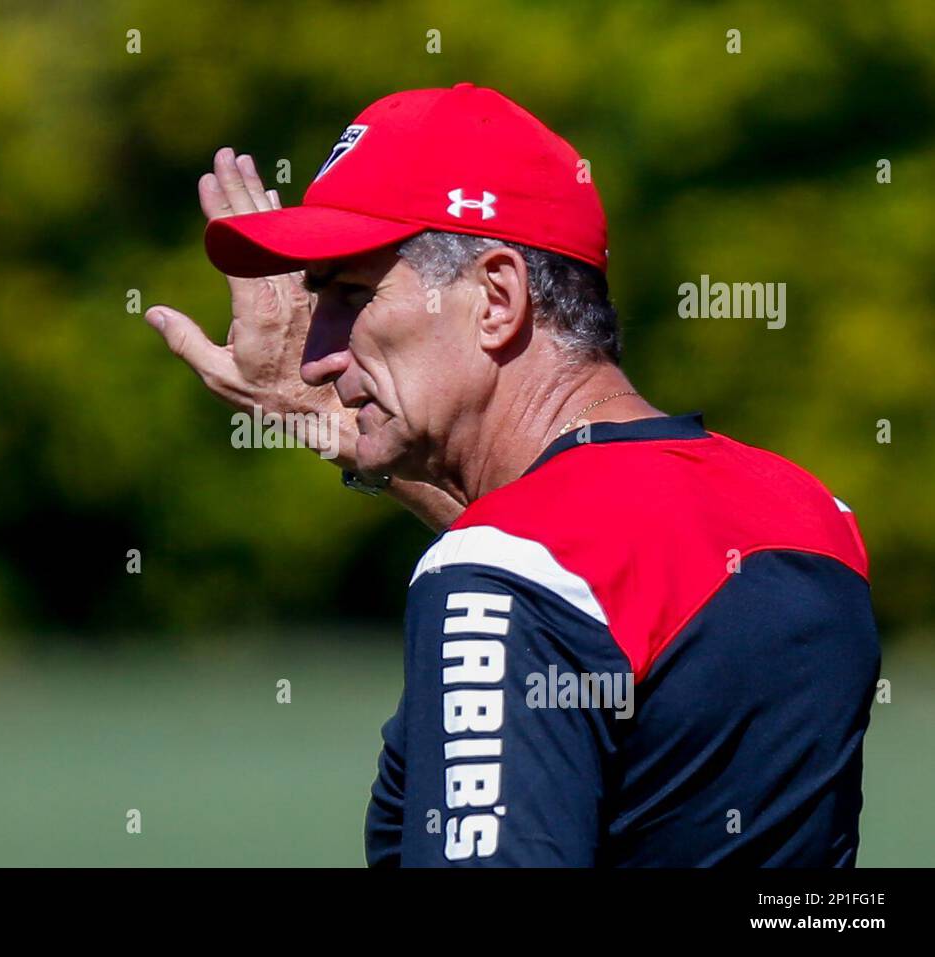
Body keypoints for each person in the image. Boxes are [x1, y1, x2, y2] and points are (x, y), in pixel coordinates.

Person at [144, 83, 880, 866]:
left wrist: (482, 559)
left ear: (497, 298)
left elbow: (545, 569)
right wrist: (329, 423)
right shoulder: (810, 513)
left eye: (351, 295)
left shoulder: (504, 573)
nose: (314, 352)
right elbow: (600, 580)